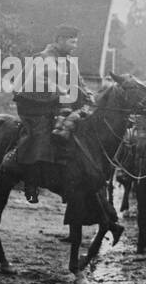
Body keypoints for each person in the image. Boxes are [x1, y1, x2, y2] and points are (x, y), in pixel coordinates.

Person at [12, 25, 89, 203]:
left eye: (76, 41)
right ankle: (30, 183)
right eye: (72, 41)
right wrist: (58, 91)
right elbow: (36, 81)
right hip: (35, 107)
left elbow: (81, 83)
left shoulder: (70, 62)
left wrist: (89, 95)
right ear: (60, 39)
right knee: (41, 136)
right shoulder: (43, 57)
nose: (75, 45)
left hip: (56, 108)